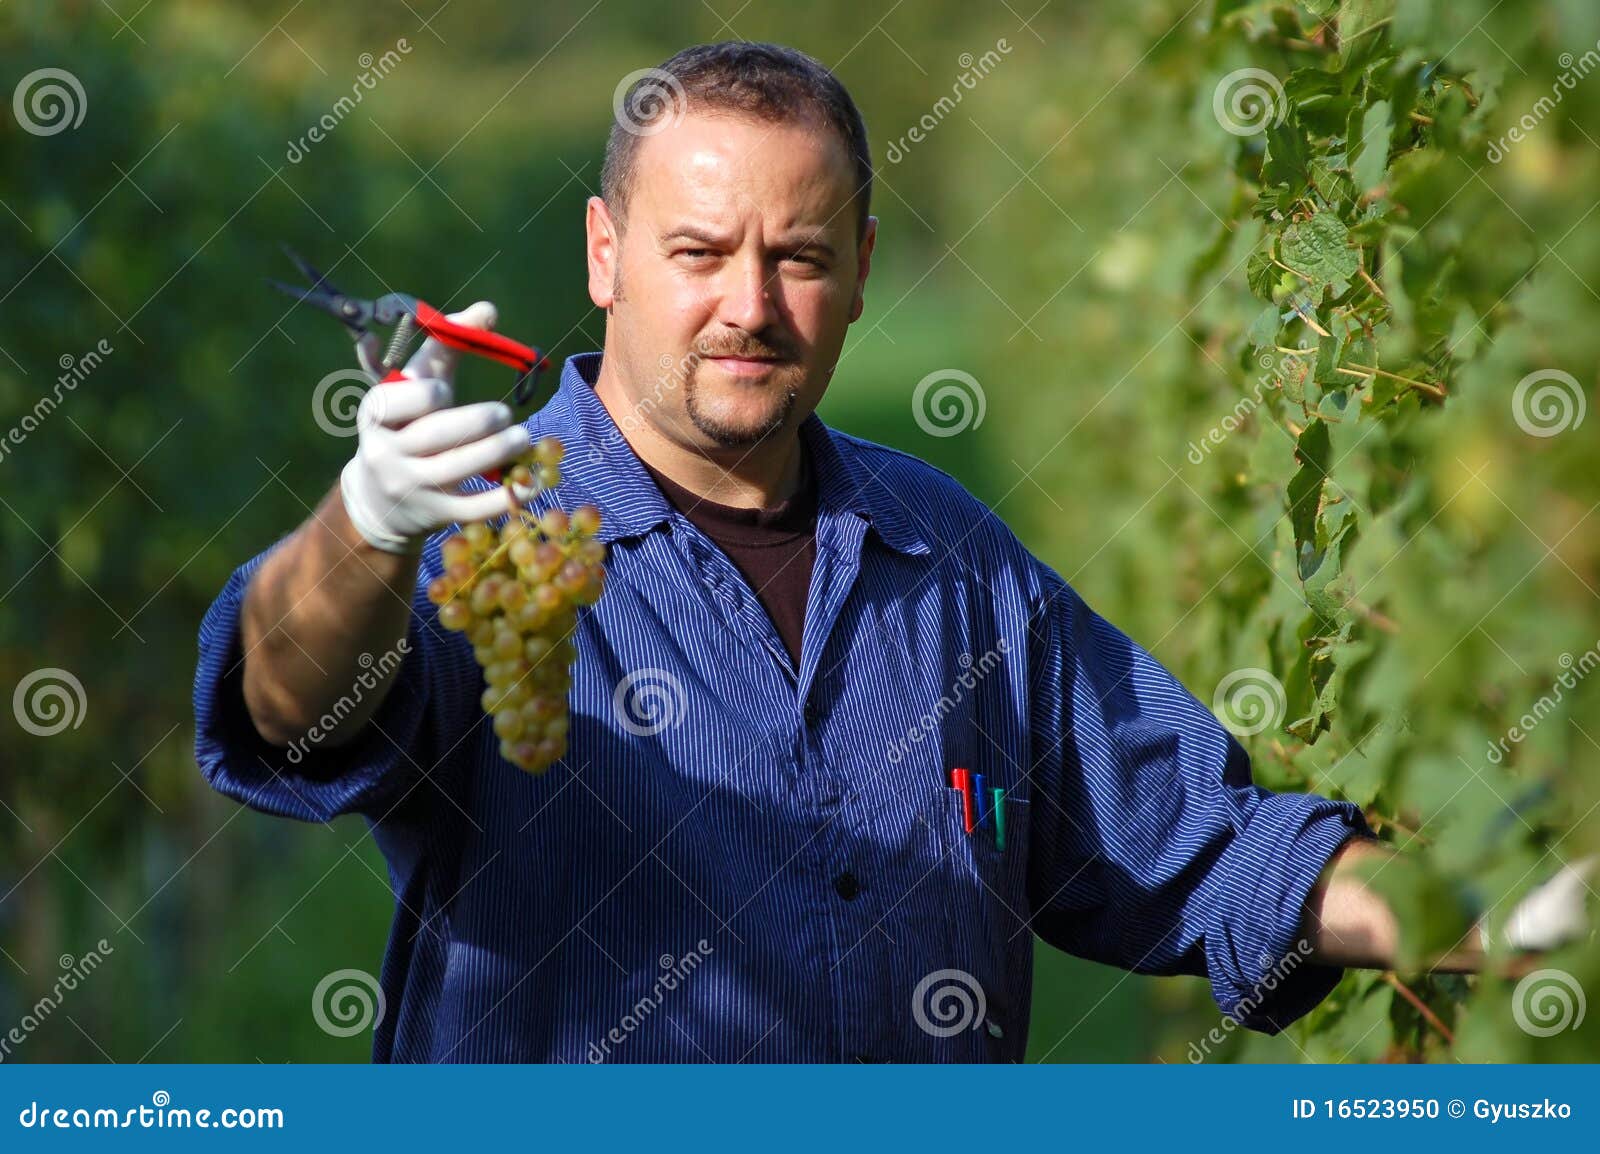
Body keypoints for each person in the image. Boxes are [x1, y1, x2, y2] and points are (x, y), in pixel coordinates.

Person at [192, 41, 1591, 1063]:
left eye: (798, 255)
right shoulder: (484, 539)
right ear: (607, 254)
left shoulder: (953, 560)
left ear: (861, 264)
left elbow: (1200, 845)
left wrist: (1493, 909)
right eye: (699, 251)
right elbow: (289, 705)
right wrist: (362, 529)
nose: (751, 306)